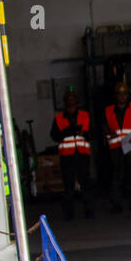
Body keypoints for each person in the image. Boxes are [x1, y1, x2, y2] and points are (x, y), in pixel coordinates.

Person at [49, 90, 94, 219]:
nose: (71, 105)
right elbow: (54, 136)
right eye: (69, 103)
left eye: (73, 103)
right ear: (65, 104)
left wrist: (83, 134)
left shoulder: (85, 116)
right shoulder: (58, 119)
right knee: (68, 186)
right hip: (67, 156)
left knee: (85, 184)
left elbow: (92, 134)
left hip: (82, 155)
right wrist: (66, 132)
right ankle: (69, 213)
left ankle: (89, 211)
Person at [102, 82, 131, 213]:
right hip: (116, 146)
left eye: (124, 94)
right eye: (119, 94)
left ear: (127, 95)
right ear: (116, 96)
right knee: (116, 176)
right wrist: (109, 131)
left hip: (130, 145)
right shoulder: (108, 110)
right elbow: (104, 126)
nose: (122, 97)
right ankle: (116, 204)